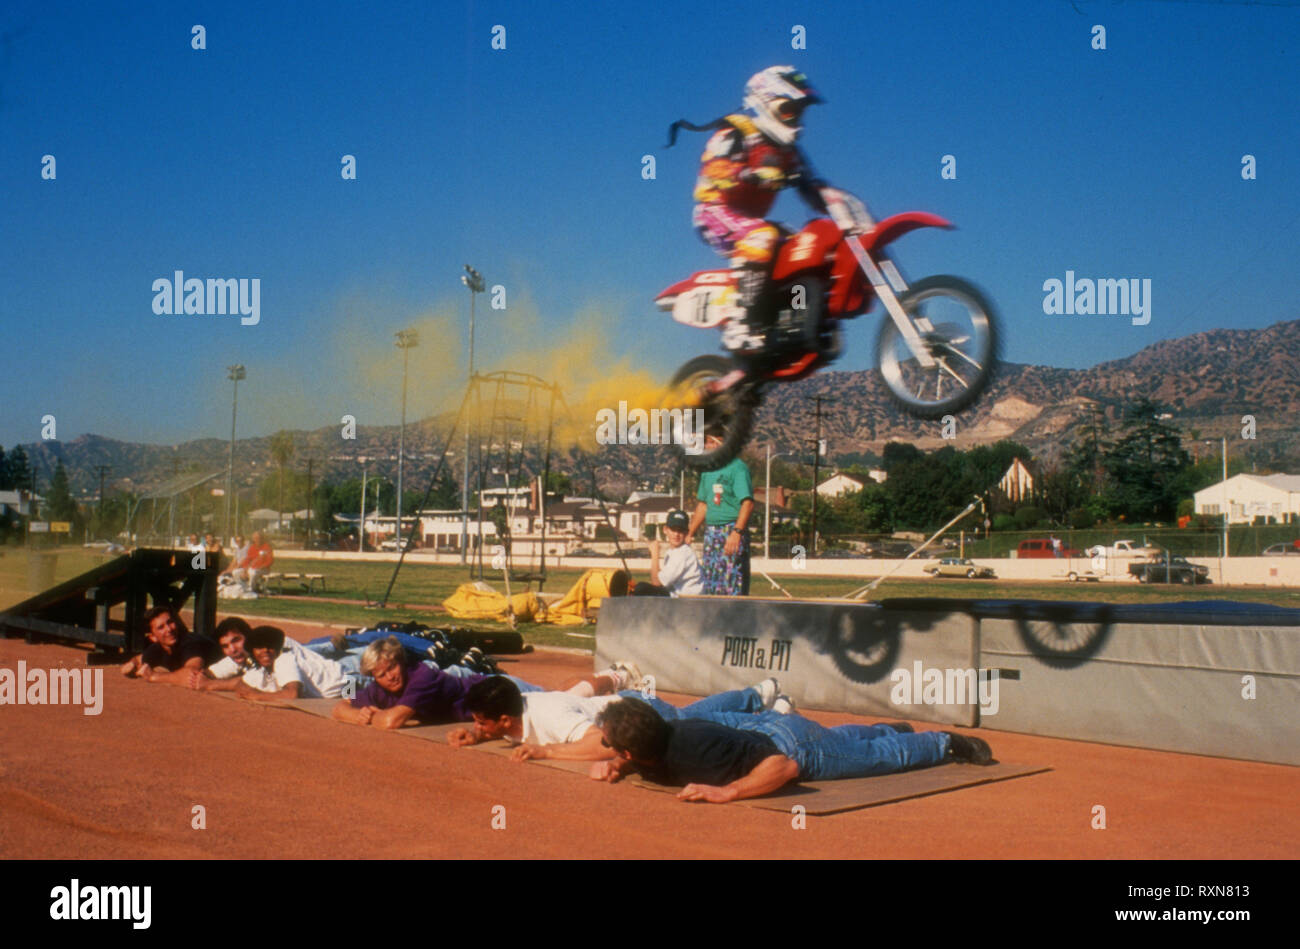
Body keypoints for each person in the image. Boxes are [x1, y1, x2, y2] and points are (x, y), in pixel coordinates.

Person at [668, 66, 829, 382]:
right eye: (788, 108)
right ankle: (741, 326)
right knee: (761, 236)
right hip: (714, 211)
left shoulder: (788, 152)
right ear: (765, 102)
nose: (795, 117)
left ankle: (780, 323)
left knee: (802, 246)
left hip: (751, 222)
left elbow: (812, 187)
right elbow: (713, 172)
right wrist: (750, 173)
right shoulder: (736, 133)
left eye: (799, 111)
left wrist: (835, 202)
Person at [589, 696, 994, 804]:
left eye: (608, 743)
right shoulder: (658, 738)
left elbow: (784, 768)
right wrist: (618, 767)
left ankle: (946, 742)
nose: (604, 746)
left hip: (790, 746)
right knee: (844, 738)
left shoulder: (695, 755)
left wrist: (727, 791)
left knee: (882, 758)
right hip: (768, 728)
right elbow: (650, 759)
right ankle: (886, 727)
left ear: (629, 751)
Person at [446, 675, 784, 762]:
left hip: (636, 711)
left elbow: (606, 745)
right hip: (625, 706)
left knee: (696, 720)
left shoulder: (551, 716)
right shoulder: (513, 709)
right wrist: (477, 736)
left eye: (481, 722)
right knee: (697, 714)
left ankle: (761, 700)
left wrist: (546, 751)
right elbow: (500, 730)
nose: (478, 725)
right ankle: (758, 697)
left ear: (505, 719)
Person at [330, 636, 547, 730]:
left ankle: (579, 688)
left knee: (550, 699)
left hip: (494, 687)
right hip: (479, 697)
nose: (390, 676)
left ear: (402, 662)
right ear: (374, 677)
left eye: (393, 668)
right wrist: (358, 714)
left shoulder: (421, 676)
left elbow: (391, 722)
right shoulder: (374, 685)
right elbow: (340, 706)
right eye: (382, 674)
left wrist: (371, 716)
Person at [688, 431, 754, 596]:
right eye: (707, 442)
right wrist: (690, 533)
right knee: (711, 579)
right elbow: (703, 504)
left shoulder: (737, 468)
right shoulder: (707, 470)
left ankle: (734, 618)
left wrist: (737, 532)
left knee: (731, 581)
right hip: (711, 532)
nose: (711, 446)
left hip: (731, 529)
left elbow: (747, 503)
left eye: (715, 441)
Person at [233, 626, 358, 702]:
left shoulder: (283, 660)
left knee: (353, 704)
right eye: (260, 647)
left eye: (270, 646)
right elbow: (241, 686)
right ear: (252, 652)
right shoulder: (260, 669)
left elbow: (292, 695)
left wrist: (257, 695)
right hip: (340, 677)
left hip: (351, 680)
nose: (265, 650)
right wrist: (250, 691)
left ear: (277, 649)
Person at [119, 605, 222, 684]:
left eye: (170, 622)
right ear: (153, 637)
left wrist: (154, 676)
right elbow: (138, 659)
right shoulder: (157, 647)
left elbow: (193, 674)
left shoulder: (190, 643)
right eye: (161, 627)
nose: (169, 629)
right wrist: (132, 664)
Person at [632, 509, 703, 597]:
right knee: (640, 588)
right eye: (673, 529)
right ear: (665, 530)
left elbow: (656, 582)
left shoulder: (683, 554)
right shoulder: (673, 552)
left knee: (641, 589)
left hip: (687, 601)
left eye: (680, 531)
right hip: (679, 597)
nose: (676, 534)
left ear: (686, 533)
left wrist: (655, 554)